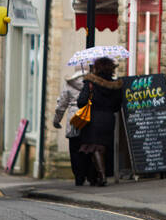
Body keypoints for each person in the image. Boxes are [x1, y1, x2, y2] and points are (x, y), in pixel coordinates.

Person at [74, 55, 123, 187]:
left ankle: (101, 175)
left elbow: (81, 102)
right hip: (108, 119)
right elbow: (117, 106)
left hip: (93, 118)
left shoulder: (90, 82)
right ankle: (96, 176)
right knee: (102, 147)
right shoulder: (117, 85)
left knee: (94, 147)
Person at [52, 70, 94, 186]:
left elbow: (61, 106)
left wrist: (56, 120)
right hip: (89, 117)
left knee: (75, 149)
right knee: (89, 148)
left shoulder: (69, 84)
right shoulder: (92, 82)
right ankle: (90, 175)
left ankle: (79, 177)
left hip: (74, 119)